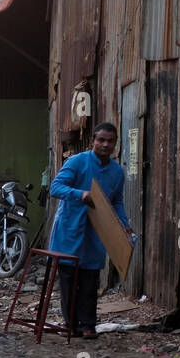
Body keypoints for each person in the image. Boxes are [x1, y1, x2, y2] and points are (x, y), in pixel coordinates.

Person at [47, 122, 133, 338]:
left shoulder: (116, 172)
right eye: (101, 140)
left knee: (89, 279)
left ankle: (88, 325)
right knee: (69, 279)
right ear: (93, 140)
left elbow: (117, 202)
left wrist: (123, 223)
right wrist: (80, 194)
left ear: (115, 143)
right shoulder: (77, 162)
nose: (105, 144)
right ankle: (70, 324)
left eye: (110, 141)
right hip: (70, 227)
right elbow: (56, 187)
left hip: (96, 231)